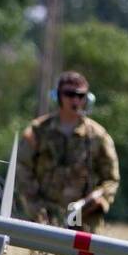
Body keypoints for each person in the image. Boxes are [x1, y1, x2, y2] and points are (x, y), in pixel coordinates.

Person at [15, 71, 120, 233]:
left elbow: (111, 179)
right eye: (70, 94)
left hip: (83, 217)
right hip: (45, 215)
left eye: (81, 95)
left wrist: (92, 202)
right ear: (59, 96)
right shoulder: (38, 131)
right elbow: (22, 169)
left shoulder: (98, 135)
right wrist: (36, 208)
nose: (75, 100)